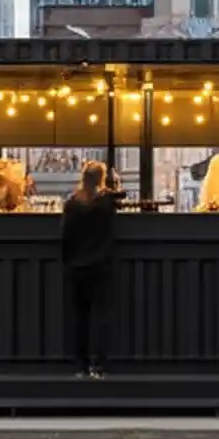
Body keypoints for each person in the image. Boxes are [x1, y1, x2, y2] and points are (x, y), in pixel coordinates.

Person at [61, 161, 126, 379]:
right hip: (101, 266)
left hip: (78, 267)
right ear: (101, 179)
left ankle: (81, 366)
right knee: (101, 317)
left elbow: (65, 237)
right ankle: (100, 366)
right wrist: (114, 185)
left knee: (80, 318)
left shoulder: (72, 203)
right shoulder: (105, 204)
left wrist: (69, 259)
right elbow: (122, 198)